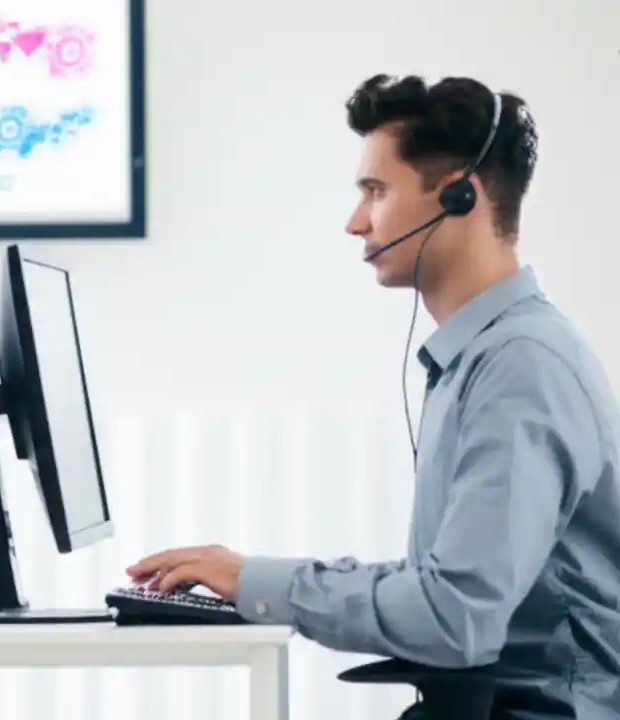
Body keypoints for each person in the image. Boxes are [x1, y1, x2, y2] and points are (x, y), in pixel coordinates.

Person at [127, 75, 620, 719]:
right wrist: (250, 575)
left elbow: (453, 617)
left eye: (376, 191)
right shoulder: (484, 356)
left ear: (459, 196)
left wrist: (255, 582)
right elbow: (446, 586)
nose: (355, 221)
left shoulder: (520, 367)